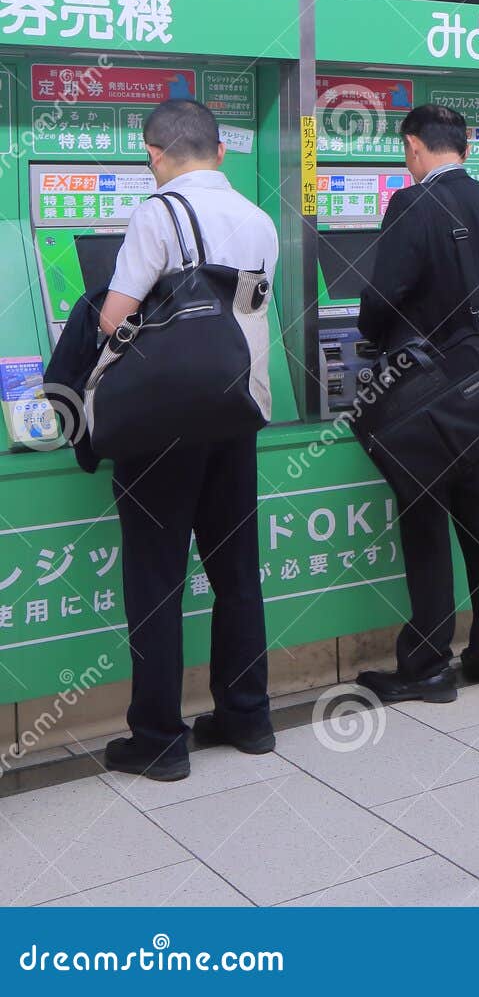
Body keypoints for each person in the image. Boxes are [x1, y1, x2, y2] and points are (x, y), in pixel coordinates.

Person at [98, 99, 278, 781]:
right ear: (221, 152)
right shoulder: (258, 219)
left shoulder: (157, 214)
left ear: (154, 154)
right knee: (236, 571)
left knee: (156, 578)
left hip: (164, 427)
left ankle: (159, 739)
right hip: (235, 415)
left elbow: (114, 319)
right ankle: (247, 714)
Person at [356, 104, 479, 702]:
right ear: (465, 147)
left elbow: (378, 300)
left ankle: (428, 665)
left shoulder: (411, 204)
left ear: (414, 147)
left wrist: (371, 334)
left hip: (423, 399)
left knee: (425, 518)